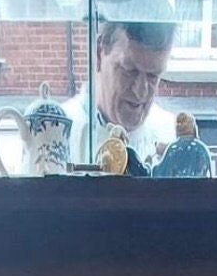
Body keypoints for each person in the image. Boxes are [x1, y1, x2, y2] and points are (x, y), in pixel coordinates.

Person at [64, 19, 178, 169]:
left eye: (153, 76)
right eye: (129, 70)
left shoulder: (170, 135)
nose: (141, 91)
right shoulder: (54, 135)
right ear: (98, 54)